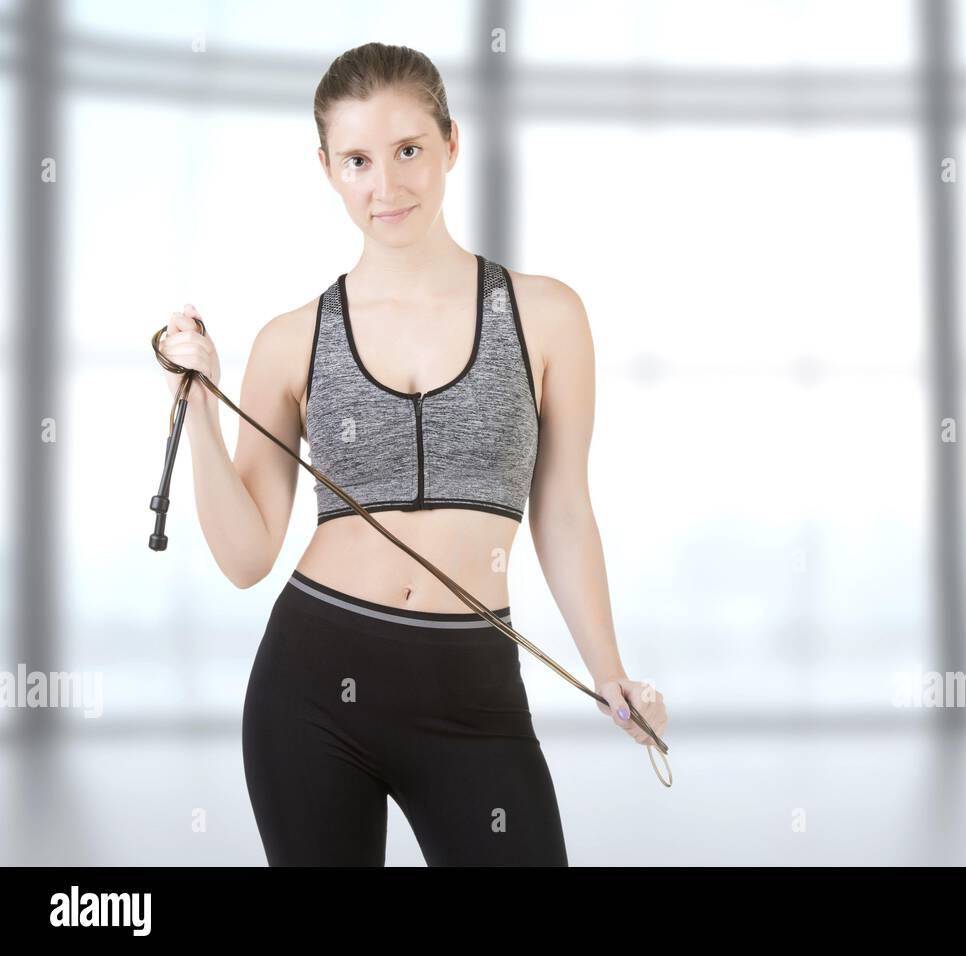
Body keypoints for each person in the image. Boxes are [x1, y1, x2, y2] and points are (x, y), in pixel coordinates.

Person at [158, 41, 668, 866]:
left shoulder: (546, 316)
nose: (385, 186)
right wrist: (200, 404)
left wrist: (609, 672)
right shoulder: (290, 341)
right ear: (326, 168)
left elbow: (564, 510)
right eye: (357, 160)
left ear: (451, 144)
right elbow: (247, 555)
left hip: (475, 697)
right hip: (311, 689)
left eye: (408, 151)